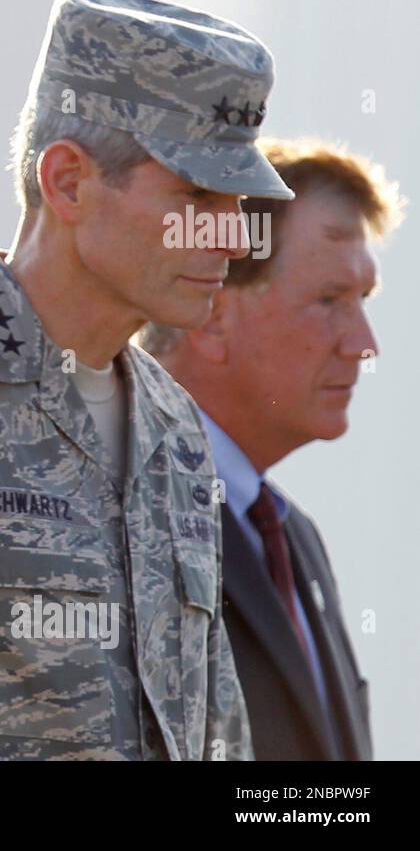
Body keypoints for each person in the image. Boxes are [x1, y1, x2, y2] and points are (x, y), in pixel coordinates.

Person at [0, 0, 283, 760]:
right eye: (196, 195)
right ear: (69, 181)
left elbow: (215, 729)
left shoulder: (173, 425)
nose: (234, 239)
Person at [141, 137, 403, 760]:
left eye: (362, 302)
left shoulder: (290, 536)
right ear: (210, 315)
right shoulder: (124, 513)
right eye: (328, 300)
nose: (364, 344)